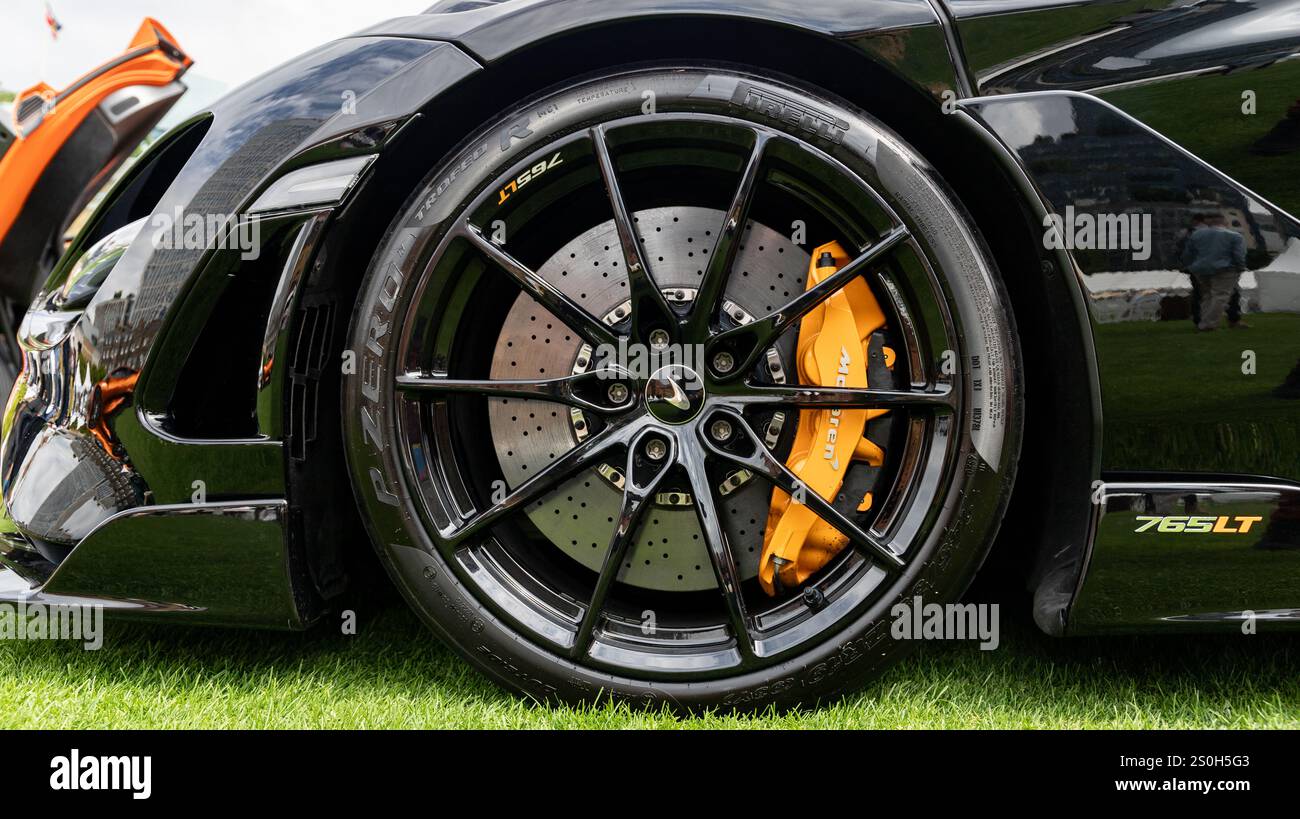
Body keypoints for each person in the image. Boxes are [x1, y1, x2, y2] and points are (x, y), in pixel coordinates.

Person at [1181, 213, 1247, 331]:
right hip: (1225, 269)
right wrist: (1241, 267)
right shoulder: (1234, 236)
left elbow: (1188, 254)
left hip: (1200, 269)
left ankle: (1204, 321)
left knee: (1207, 296)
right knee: (1220, 296)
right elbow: (1238, 255)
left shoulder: (1196, 234)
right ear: (1225, 222)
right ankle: (1208, 324)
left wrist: (1190, 266)